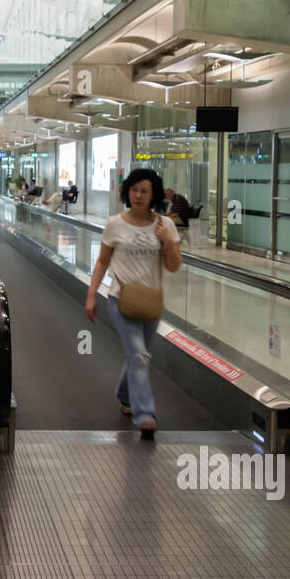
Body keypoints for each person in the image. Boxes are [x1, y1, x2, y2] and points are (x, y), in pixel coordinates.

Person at [84, 169, 182, 437]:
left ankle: (124, 394)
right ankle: (145, 414)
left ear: (154, 195)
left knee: (139, 355)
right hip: (121, 299)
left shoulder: (165, 226)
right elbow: (103, 261)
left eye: (144, 191)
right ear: (127, 191)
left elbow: (173, 266)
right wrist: (92, 294)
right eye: (134, 189)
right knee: (138, 355)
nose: (138, 195)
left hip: (151, 301)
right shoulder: (115, 224)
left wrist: (167, 243)